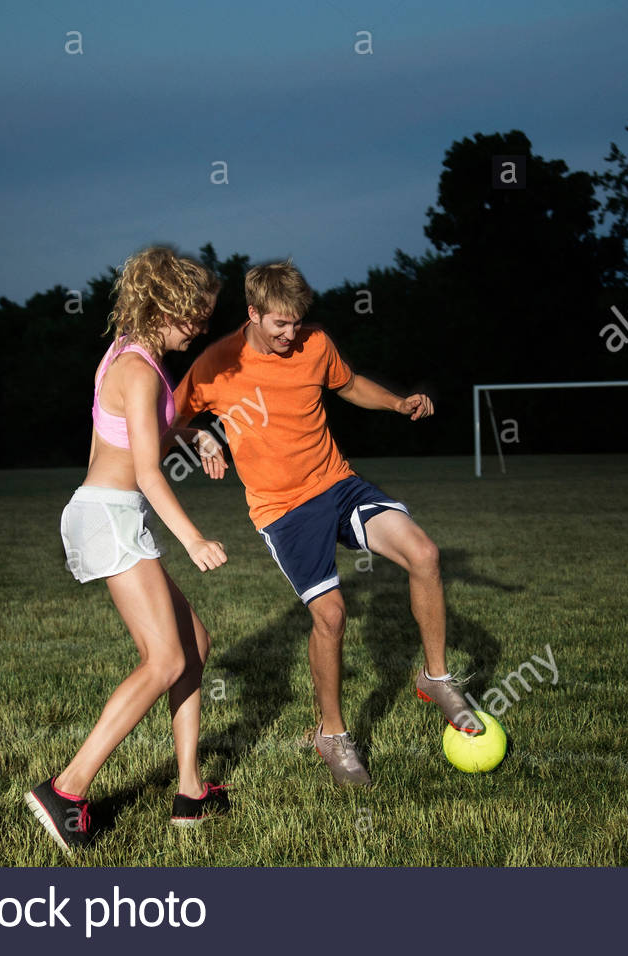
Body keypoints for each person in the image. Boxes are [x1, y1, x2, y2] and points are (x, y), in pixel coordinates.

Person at [172, 260, 481, 789]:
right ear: (253, 314)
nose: (293, 335)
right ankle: (332, 735)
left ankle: (435, 677)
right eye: (280, 325)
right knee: (332, 616)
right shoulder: (217, 363)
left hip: (337, 482)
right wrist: (201, 435)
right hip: (284, 509)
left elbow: (350, 383)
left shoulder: (314, 342)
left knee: (425, 554)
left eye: (298, 322)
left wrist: (397, 402)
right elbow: (168, 414)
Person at [25, 246, 231, 851]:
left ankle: (190, 790)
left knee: (193, 645)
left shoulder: (128, 351)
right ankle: (66, 790)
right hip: (110, 516)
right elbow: (145, 469)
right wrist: (192, 538)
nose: (200, 327)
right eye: (195, 314)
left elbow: (144, 431)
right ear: (165, 303)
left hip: (110, 513)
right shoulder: (139, 370)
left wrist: (196, 433)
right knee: (164, 659)